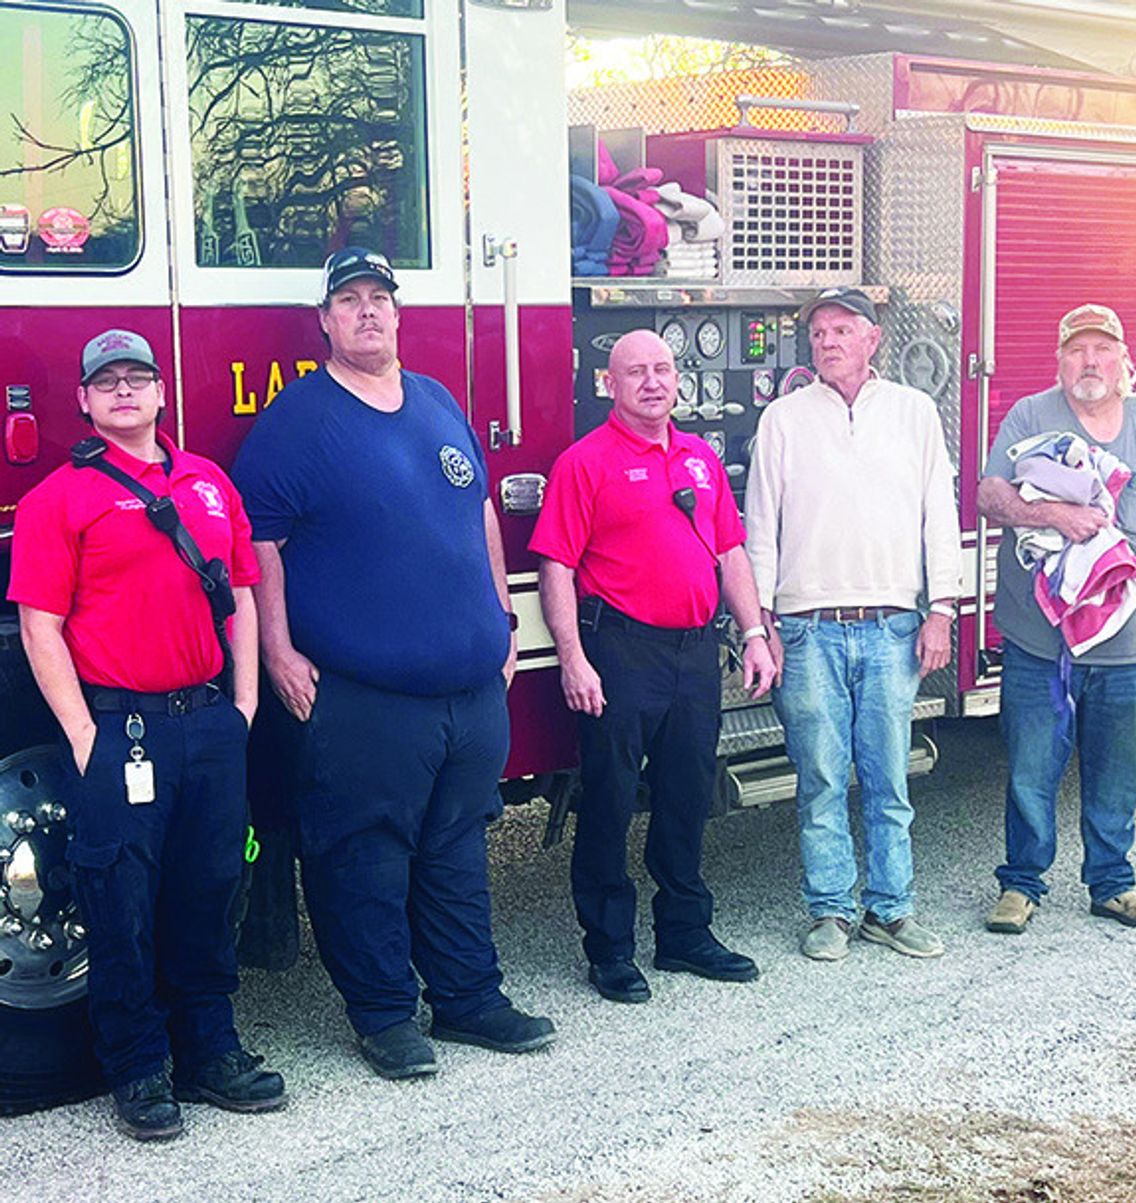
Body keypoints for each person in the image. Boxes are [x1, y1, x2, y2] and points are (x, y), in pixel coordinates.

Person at [231, 247, 554, 1079]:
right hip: (363, 697)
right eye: (351, 300)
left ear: (399, 314)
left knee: (456, 850)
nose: (368, 311)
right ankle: (382, 1017)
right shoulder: (298, 418)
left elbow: (478, 505)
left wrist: (502, 612)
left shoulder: (439, 400)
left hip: (468, 687)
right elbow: (256, 538)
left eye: (381, 297)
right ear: (326, 321)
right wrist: (278, 651)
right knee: (363, 858)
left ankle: (470, 998)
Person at [7, 329, 284, 1141]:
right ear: (87, 403)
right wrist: (83, 736)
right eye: (109, 382)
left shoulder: (208, 483)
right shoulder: (57, 499)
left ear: (162, 395)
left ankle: (210, 1051)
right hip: (120, 729)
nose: (125, 391)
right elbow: (39, 625)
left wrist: (243, 706)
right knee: (120, 903)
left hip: (209, 726)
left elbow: (238, 592)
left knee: (209, 890)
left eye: (139, 378)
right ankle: (137, 1067)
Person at [530, 328, 778, 1005]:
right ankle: (610, 949)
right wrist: (572, 658)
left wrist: (754, 632)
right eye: (636, 371)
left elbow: (730, 552)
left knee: (687, 793)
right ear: (610, 384)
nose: (653, 381)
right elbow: (556, 563)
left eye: (663, 369)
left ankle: (684, 933)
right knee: (609, 799)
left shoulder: (699, 457)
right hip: (621, 650)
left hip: (695, 650)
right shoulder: (585, 462)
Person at [745, 287, 960, 962]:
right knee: (821, 777)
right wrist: (761, 623)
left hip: (893, 623)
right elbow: (761, 527)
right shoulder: (782, 418)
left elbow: (940, 515)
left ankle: (891, 910)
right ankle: (831, 909)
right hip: (807, 628)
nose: (828, 340)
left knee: (889, 777)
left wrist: (943, 609)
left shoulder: (914, 412)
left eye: (842, 329)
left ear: (874, 339)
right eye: (818, 332)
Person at [978, 303, 1136, 934]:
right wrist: (1057, 517)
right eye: (1077, 350)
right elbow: (990, 495)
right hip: (1039, 642)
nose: (1090, 362)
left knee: (1117, 765)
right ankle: (1021, 883)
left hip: (1125, 643)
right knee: (1030, 764)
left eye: (1103, 350)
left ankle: (1112, 882)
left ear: (1125, 362)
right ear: (1060, 361)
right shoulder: (1031, 415)